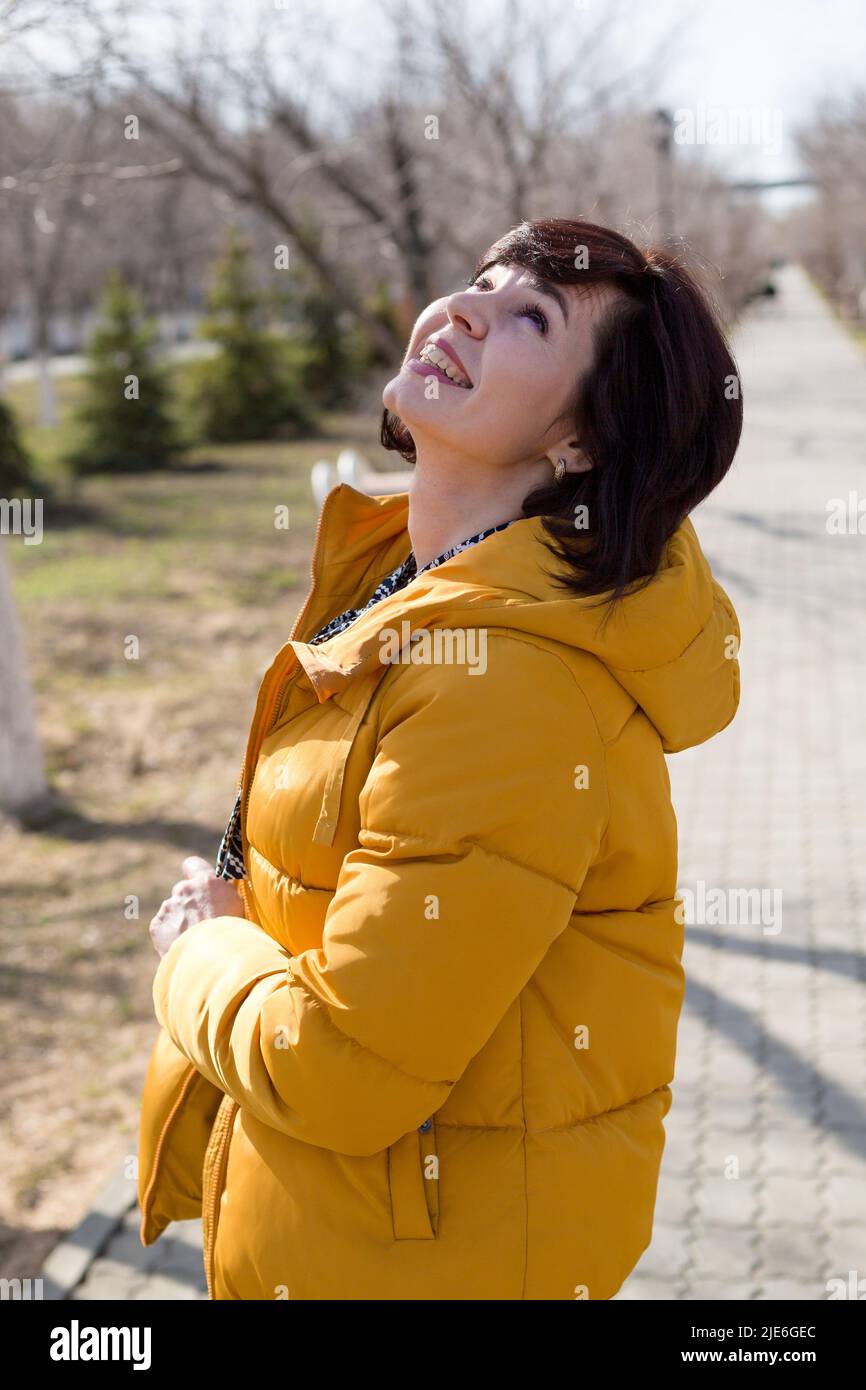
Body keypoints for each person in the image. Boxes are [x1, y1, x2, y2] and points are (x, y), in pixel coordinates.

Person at [137, 217, 743, 1300]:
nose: (461, 309)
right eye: (477, 282)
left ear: (582, 443)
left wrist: (196, 953)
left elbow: (346, 1072)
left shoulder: (498, 681)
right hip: (347, 1238)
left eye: (529, 316)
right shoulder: (405, 587)